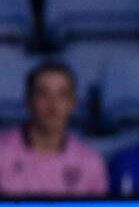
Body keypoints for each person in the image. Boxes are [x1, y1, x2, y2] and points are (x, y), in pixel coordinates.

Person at [0, 62, 107, 199]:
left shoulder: (90, 162)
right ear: (28, 100)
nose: (53, 104)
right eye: (43, 94)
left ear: (73, 103)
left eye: (62, 95)